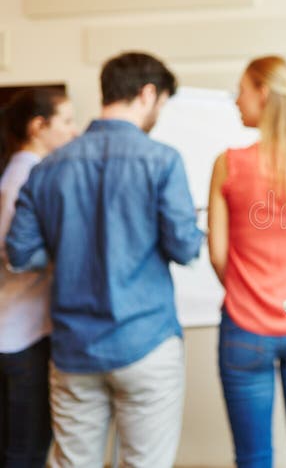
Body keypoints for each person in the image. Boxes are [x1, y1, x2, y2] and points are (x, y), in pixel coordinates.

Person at [6, 52, 204, 468]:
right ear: (147, 94)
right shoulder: (162, 160)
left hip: (73, 347)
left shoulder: (48, 167)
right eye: (161, 102)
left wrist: (68, 247)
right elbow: (185, 248)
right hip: (146, 341)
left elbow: (20, 254)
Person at [207, 55, 286, 468]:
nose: (236, 100)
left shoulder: (228, 163)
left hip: (244, 326)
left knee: (253, 457)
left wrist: (247, 288)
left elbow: (217, 254)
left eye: (241, 90)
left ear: (262, 93)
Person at [0, 87, 77, 467]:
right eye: (66, 121)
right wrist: (71, 254)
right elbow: (12, 253)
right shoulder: (26, 175)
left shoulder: (22, 172)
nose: (74, 131)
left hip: (22, 330)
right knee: (25, 450)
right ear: (38, 126)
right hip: (20, 334)